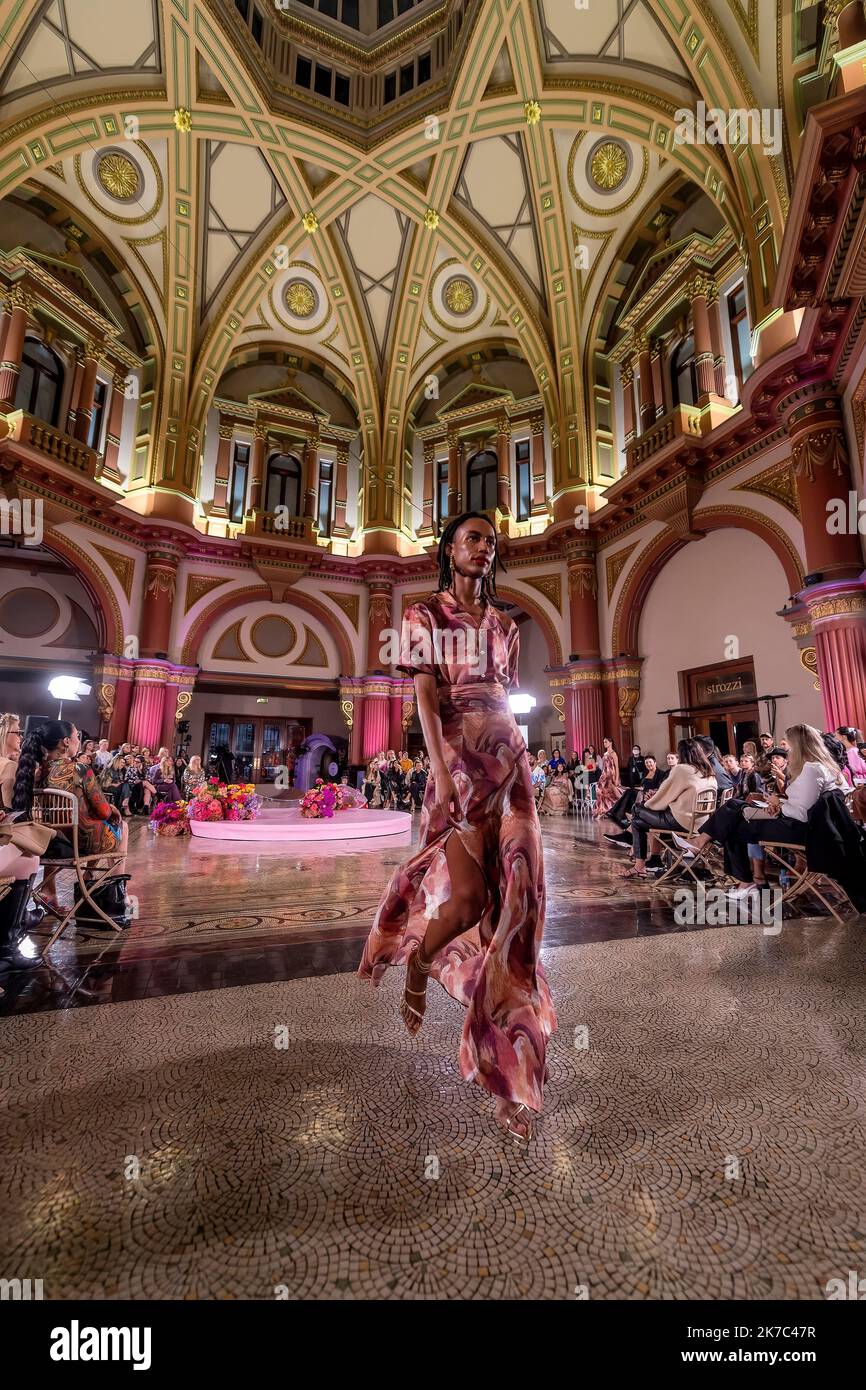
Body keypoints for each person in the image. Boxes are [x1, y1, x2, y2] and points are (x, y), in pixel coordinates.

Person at [358, 511, 556, 1147]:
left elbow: (505, 696)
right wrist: (442, 775)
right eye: (474, 538)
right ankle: (417, 963)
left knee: (518, 908)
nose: (486, 547)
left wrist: (524, 761)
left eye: (492, 540)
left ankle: (510, 1079)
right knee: (470, 901)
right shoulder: (425, 617)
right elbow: (424, 701)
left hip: (511, 763)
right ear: (448, 550)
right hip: (461, 762)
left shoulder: (506, 624)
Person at [676, 724, 848, 900]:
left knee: (732, 825)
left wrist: (779, 805)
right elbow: (807, 803)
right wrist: (781, 802)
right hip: (802, 825)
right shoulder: (825, 767)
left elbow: (801, 813)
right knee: (734, 806)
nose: (787, 750)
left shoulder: (812, 769)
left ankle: (742, 878)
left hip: (800, 829)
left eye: (789, 745)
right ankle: (703, 845)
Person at [12, 720, 129, 875]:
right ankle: (117, 889)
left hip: (48, 841)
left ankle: (76, 882)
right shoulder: (80, 769)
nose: (79, 741)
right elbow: (104, 813)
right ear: (66, 742)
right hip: (80, 843)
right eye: (77, 737)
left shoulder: (36, 774)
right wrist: (113, 809)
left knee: (92, 824)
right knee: (122, 826)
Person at [622, 739, 716, 879]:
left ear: (681, 754)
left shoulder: (682, 769)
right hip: (702, 824)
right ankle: (642, 864)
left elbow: (663, 795)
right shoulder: (707, 770)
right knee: (638, 821)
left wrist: (646, 806)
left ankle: (638, 861)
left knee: (637, 810)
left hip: (682, 822)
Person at [604, 753, 664, 846]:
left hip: (650, 796)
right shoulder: (645, 773)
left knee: (630, 793)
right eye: (646, 763)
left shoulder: (660, 774)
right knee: (629, 791)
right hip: (641, 793)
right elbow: (642, 787)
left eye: (650, 762)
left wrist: (645, 791)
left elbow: (659, 788)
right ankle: (619, 816)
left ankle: (617, 815)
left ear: (655, 762)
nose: (648, 764)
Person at [594, 735, 622, 818]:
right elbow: (602, 765)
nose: (604, 743)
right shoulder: (605, 753)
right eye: (603, 742)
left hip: (611, 776)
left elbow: (617, 767)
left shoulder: (613, 753)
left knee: (611, 794)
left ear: (611, 743)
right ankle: (602, 811)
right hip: (604, 775)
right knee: (599, 792)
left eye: (606, 742)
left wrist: (617, 779)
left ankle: (611, 811)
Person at [0, 711, 23, 810]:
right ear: (4, 733)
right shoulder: (9, 765)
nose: (21, 737)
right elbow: (9, 811)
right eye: (18, 732)